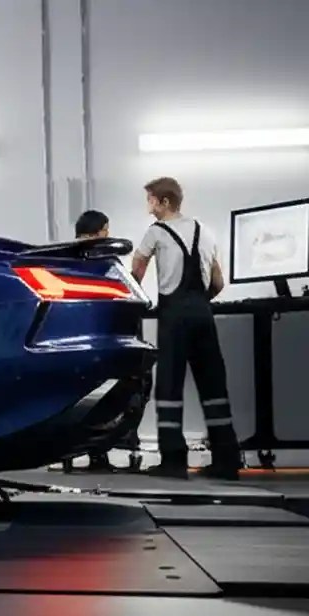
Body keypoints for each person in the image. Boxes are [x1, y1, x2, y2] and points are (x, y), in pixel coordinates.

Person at [131, 177, 241, 480]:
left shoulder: (155, 232)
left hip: (174, 317)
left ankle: (174, 462)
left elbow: (136, 272)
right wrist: (199, 303)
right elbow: (218, 282)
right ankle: (226, 462)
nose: (148, 206)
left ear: (164, 202)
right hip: (203, 316)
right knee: (213, 386)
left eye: (150, 199)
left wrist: (131, 306)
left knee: (168, 387)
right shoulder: (206, 231)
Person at [74, 210, 116, 472]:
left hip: (75, 335)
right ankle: (99, 455)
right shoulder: (103, 256)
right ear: (100, 231)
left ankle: (83, 454)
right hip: (101, 332)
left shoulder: (65, 256)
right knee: (106, 396)